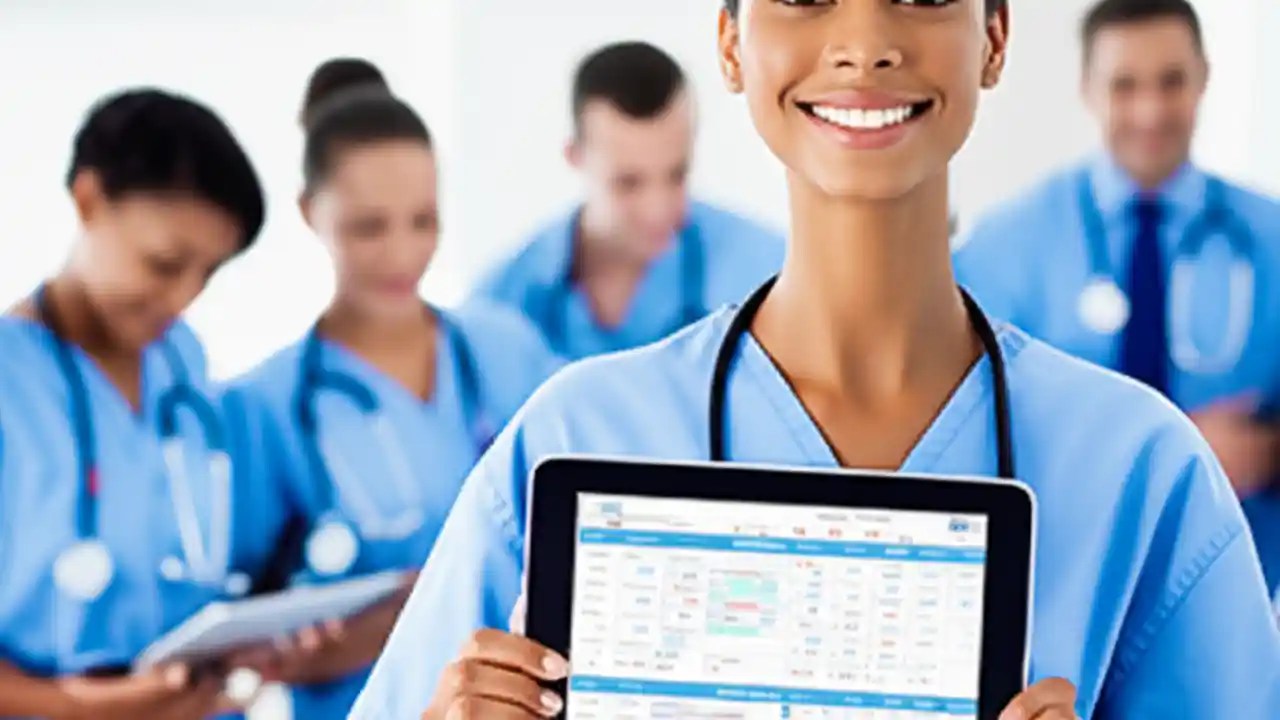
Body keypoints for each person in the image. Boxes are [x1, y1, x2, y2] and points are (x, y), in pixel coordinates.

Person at [353, 0, 1280, 717]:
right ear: (729, 42)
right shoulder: (571, 438)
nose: (865, 41)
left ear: (996, 36)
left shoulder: (1138, 470)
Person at [220, 64, 560, 720]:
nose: (402, 254)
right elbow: (241, 639)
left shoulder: (507, 349)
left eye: (423, 222)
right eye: (369, 228)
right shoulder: (263, 406)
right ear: (309, 212)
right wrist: (335, 640)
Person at [952, 0, 1280, 597]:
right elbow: (965, 433)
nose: (1151, 111)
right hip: (1063, 590)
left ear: (1204, 78)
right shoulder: (1004, 245)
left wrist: (1270, 449)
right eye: (1125, 86)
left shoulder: (1271, 239)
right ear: (1087, 90)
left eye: (1172, 82)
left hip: (1236, 590)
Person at [0, 89, 277, 718]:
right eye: (165, 263)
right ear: (89, 199)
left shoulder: (183, 361)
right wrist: (73, 706)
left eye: (208, 272)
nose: (183, 297)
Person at [470, 40, 785, 360]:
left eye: (676, 174)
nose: (658, 209)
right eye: (628, 183)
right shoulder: (497, 307)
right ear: (575, 157)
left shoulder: (772, 276)